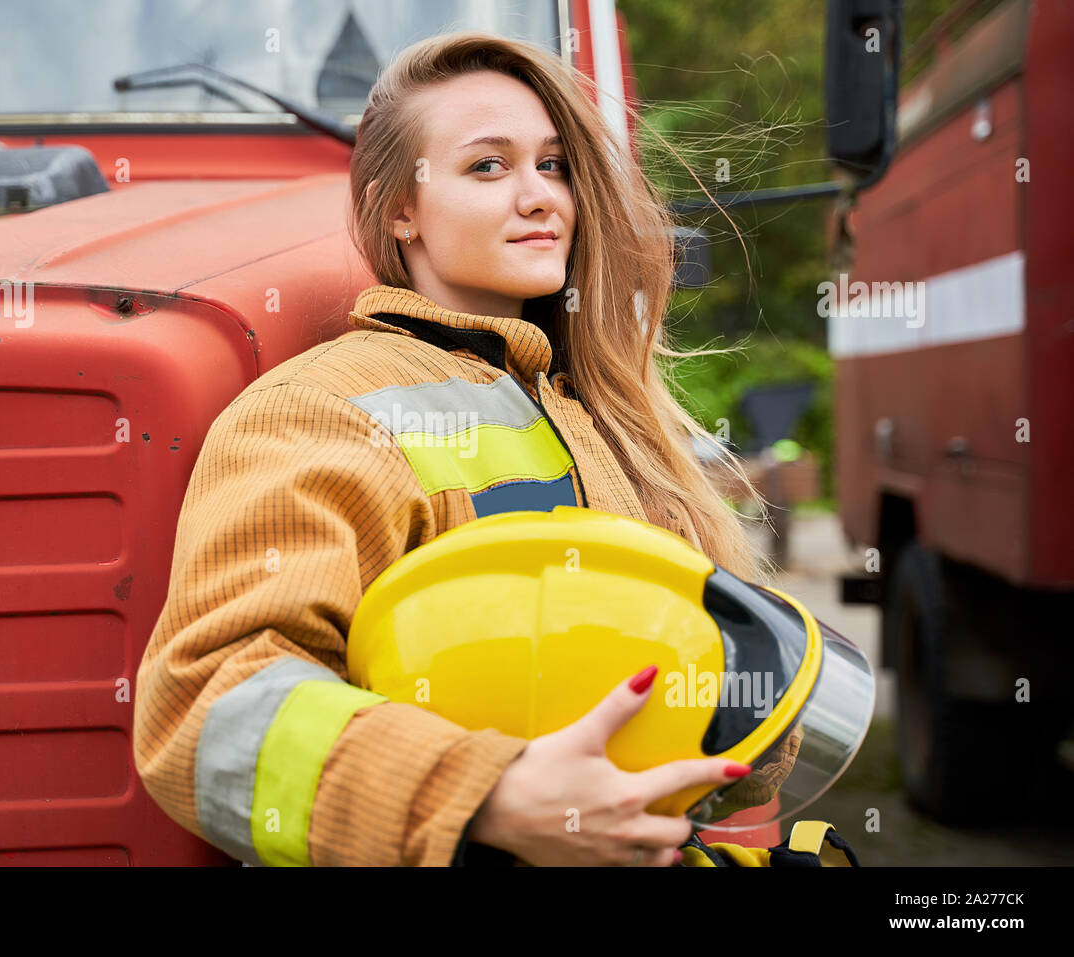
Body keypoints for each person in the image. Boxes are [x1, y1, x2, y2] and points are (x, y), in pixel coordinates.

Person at [134, 30, 767, 867]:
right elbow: (209, 705)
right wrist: (490, 794)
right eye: (488, 167)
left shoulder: (593, 404)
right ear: (402, 208)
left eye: (553, 164)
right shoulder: (323, 407)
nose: (543, 197)